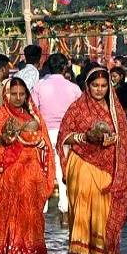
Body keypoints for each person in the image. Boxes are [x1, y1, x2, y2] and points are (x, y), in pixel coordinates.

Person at [57, 66, 127, 254]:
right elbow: (64, 137)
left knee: (103, 214)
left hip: (107, 169)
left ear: (109, 86)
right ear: (87, 86)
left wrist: (113, 139)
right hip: (81, 165)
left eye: (103, 86)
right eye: (95, 85)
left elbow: (124, 138)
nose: (99, 90)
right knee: (82, 211)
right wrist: (85, 137)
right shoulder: (77, 108)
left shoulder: (116, 111)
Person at [0, 77, 54, 254]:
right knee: (9, 217)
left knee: (30, 217)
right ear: (6, 94)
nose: (18, 98)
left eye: (22, 94)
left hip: (32, 178)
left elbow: (46, 146)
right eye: (13, 94)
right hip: (8, 177)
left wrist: (37, 142)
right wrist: (1, 140)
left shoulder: (33, 117)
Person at [31, 53, 82, 215]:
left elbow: (33, 111)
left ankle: (43, 205)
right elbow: (80, 112)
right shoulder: (73, 88)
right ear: (65, 67)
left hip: (45, 133)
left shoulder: (39, 86)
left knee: (46, 168)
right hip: (66, 134)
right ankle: (64, 205)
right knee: (63, 169)